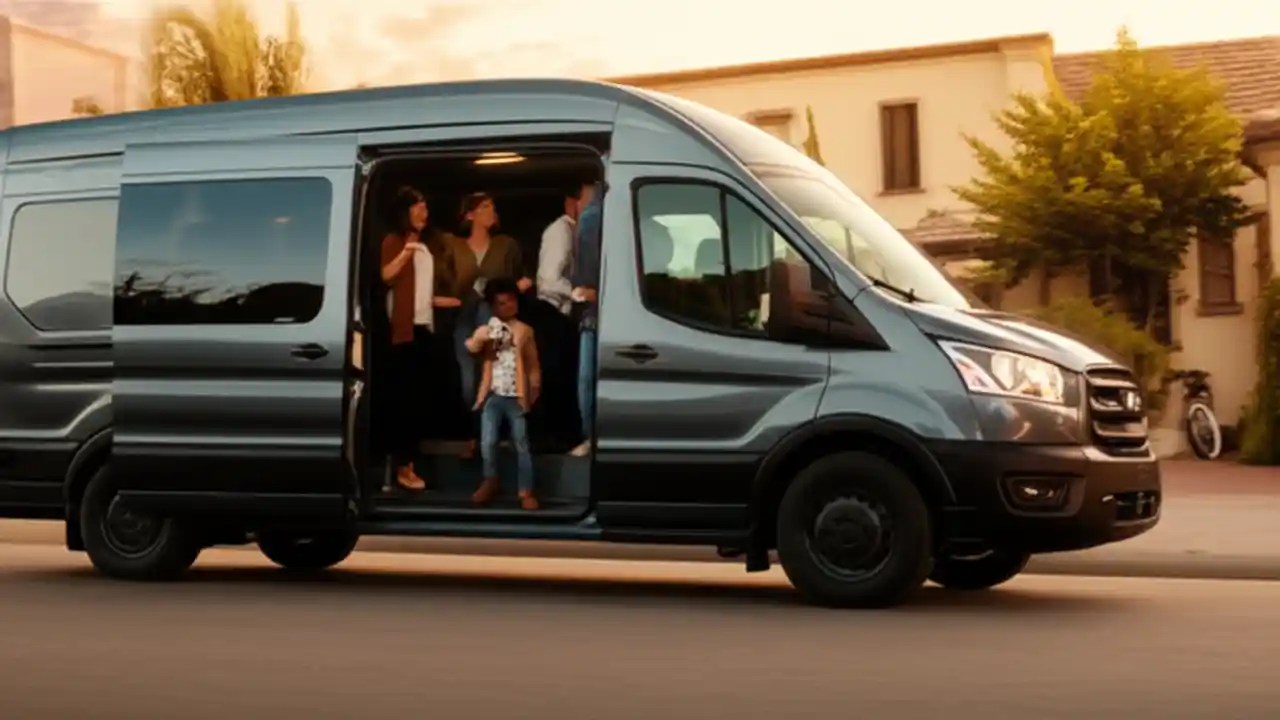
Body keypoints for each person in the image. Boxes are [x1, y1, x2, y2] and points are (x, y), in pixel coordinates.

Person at [380, 187, 460, 491]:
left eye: (426, 206)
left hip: (424, 327)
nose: (424, 211)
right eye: (419, 206)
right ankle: (403, 466)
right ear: (406, 211)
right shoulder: (396, 241)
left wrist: (442, 301)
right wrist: (407, 250)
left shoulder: (424, 247)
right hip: (404, 331)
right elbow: (387, 276)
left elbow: (419, 291)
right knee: (404, 402)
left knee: (422, 398)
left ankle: (414, 461)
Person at [446, 192, 532, 457]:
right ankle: (476, 434)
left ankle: (494, 439)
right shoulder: (454, 247)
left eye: (493, 206)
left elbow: (526, 278)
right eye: (484, 207)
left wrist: (507, 295)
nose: (491, 211)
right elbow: (446, 285)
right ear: (469, 214)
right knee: (468, 379)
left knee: (498, 376)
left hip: (497, 319)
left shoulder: (506, 245)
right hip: (464, 318)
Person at [464, 277, 542, 509]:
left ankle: (526, 489)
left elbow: (533, 366)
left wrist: (533, 392)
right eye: (501, 303)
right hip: (493, 395)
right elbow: (470, 347)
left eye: (510, 302)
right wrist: (482, 337)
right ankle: (490, 480)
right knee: (488, 441)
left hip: (516, 395)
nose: (507, 306)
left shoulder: (525, 331)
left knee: (521, 443)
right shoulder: (488, 329)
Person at [568, 179, 604, 457]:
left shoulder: (592, 217)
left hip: (593, 312)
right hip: (597, 311)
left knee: (588, 380)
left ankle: (590, 436)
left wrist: (589, 289)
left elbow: (585, 279)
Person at [536, 182, 594, 315]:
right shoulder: (560, 232)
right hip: (555, 314)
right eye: (590, 203)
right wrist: (580, 292)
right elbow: (548, 281)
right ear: (572, 203)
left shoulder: (578, 233)